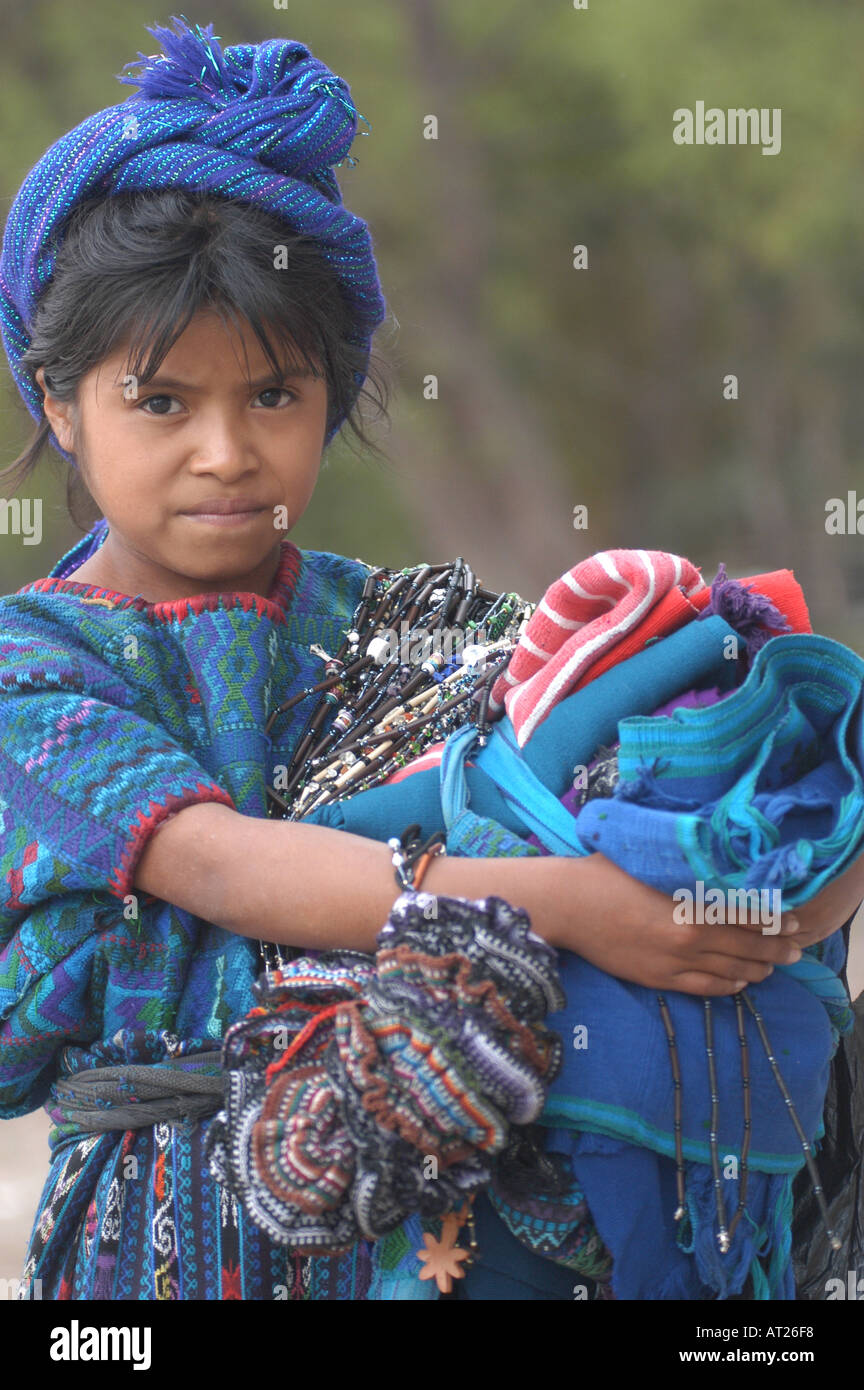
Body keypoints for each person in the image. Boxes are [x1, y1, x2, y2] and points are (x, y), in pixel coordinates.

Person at [0, 16, 860, 1302]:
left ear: (333, 399)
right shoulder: (37, 666)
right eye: (163, 401)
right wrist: (573, 909)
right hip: (161, 1249)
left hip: (434, 1248)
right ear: (59, 401)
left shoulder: (420, 626)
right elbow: (213, 859)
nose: (227, 451)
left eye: (275, 396)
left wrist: (761, 893)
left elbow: (629, 757)